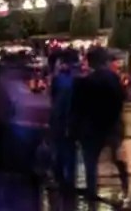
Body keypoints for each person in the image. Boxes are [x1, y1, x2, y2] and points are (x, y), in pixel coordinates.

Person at [71, 46, 129, 200]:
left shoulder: (85, 81)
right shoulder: (113, 79)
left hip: (92, 127)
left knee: (91, 161)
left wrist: (75, 127)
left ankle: (92, 191)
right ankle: (126, 187)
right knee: (116, 157)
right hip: (111, 124)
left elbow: (78, 106)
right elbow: (122, 98)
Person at [48, 51, 79, 192]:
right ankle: (69, 180)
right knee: (70, 150)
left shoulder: (59, 79)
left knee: (58, 149)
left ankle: (60, 179)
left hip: (60, 119)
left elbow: (54, 99)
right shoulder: (76, 78)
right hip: (71, 120)